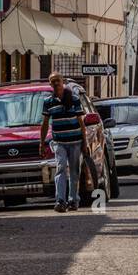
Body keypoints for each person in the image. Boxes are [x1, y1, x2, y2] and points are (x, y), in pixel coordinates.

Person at [39, 74, 87, 213]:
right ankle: (60, 200)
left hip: (75, 142)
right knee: (60, 169)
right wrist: (41, 143)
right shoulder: (48, 102)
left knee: (74, 171)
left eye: (58, 81)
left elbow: (81, 123)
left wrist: (85, 143)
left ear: (63, 82)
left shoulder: (74, 99)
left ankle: (73, 200)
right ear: (50, 84)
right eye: (52, 82)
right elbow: (45, 123)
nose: (55, 84)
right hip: (59, 142)